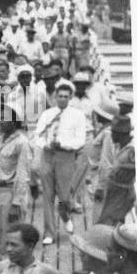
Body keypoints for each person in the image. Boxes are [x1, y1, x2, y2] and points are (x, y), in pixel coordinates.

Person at [32, 80, 89, 244]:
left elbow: (80, 140)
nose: (62, 99)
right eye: (60, 96)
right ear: (55, 97)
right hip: (48, 155)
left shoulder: (77, 115)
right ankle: (49, 232)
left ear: (70, 97)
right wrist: (46, 145)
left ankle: (65, 216)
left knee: (64, 196)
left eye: (66, 96)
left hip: (66, 156)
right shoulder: (47, 114)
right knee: (48, 195)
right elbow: (38, 135)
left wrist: (64, 145)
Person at [0, 108, 33, 252]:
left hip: (11, 191)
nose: (0, 122)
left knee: (12, 238)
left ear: (13, 122)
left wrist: (16, 202)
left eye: (4, 119)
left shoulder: (21, 142)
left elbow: (23, 173)